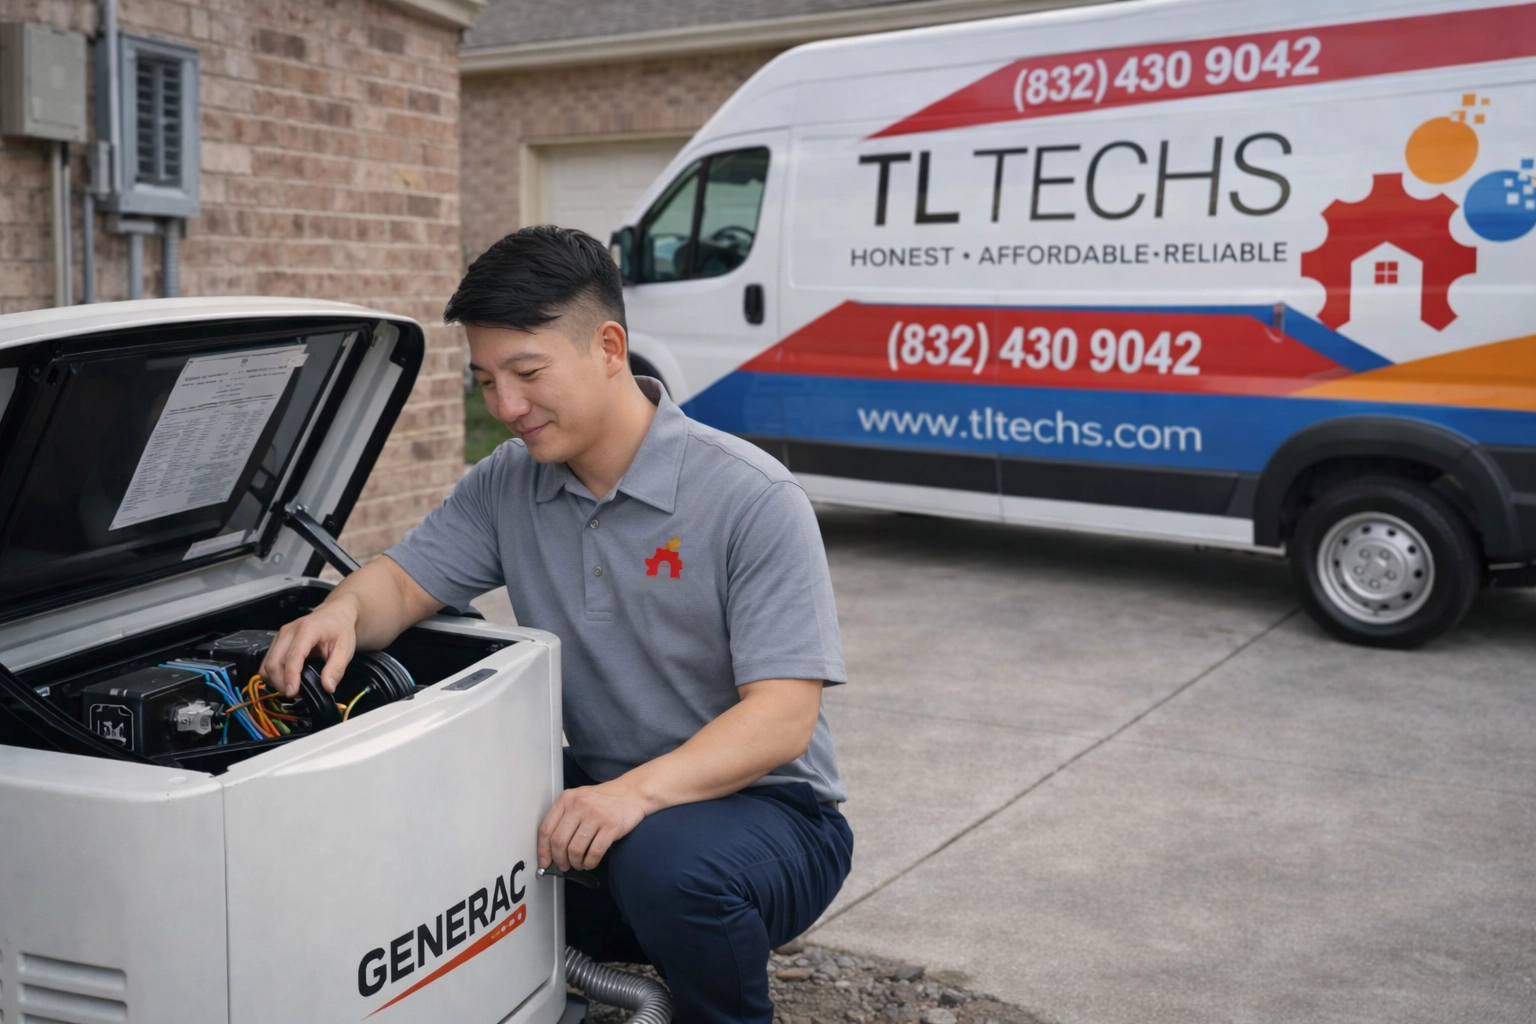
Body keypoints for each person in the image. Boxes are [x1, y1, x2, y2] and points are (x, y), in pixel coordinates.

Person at [259, 225, 853, 1024]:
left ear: (609, 347)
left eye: (527, 373)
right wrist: (338, 610)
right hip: (609, 800)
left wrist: (628, 798)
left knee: (668, 869)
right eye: (485, 382)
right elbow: (400, 584)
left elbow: (783, 717)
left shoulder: (751, 497)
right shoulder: (510, 484)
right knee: (424, 823)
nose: (505, 407)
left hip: (774, 816)